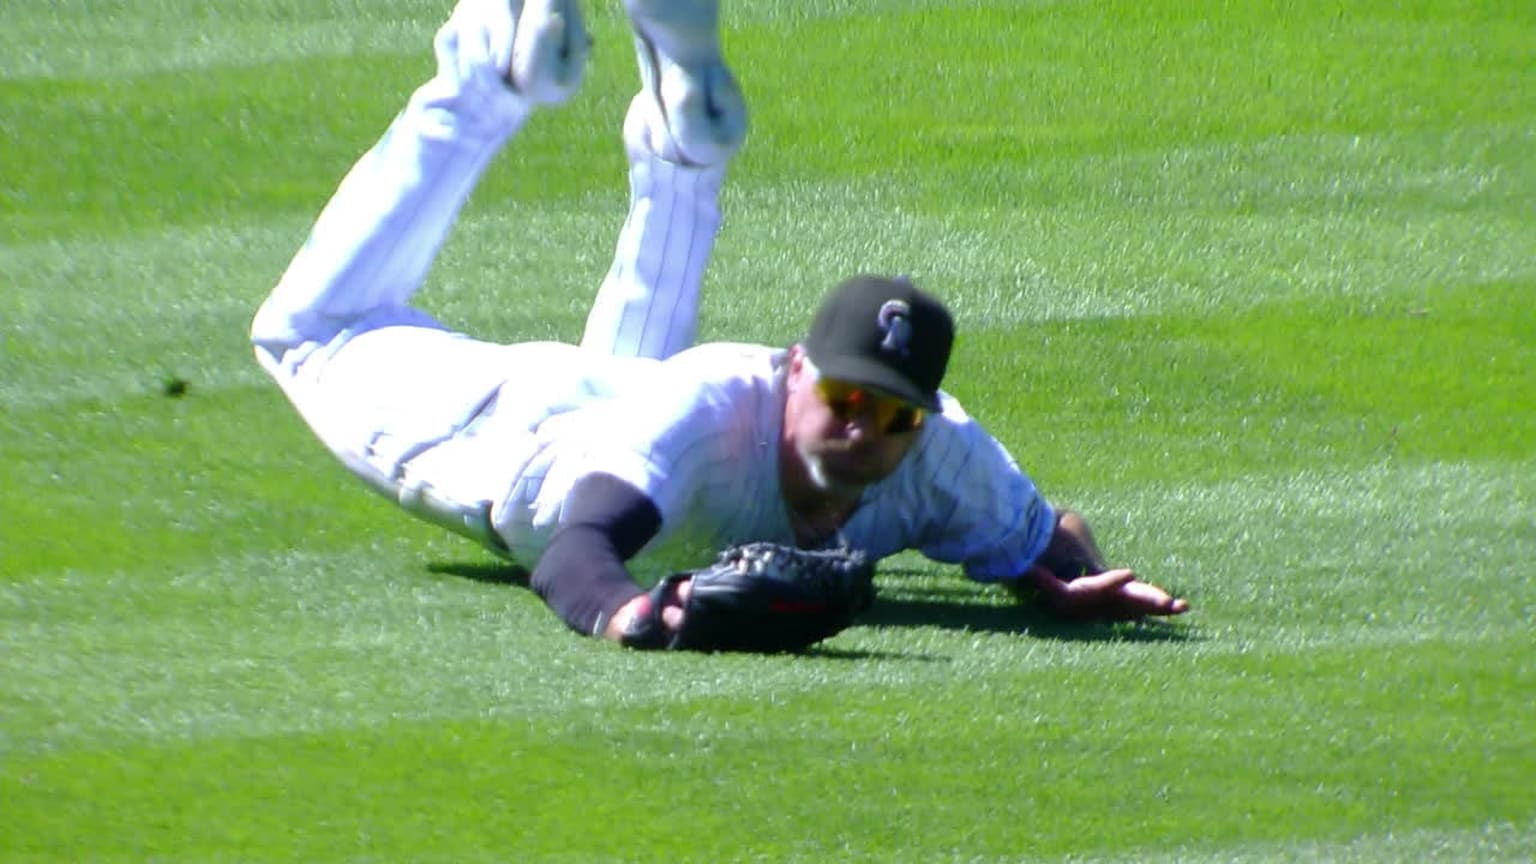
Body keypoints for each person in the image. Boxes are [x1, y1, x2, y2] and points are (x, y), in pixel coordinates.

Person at [251, 0, 1189, 648]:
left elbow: (1040, 534)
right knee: (307, 330)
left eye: (894, 414)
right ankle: (487, 75)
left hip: (628, 406)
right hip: (511, 435)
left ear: (926, 418)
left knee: (654, 417)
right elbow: (578, 552)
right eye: (845, 397)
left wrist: (1066, 576)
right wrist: (639, 617)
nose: (864, 428)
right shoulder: (711, 410)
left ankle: (684, 145)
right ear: (794, 371)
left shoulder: (944, 458)